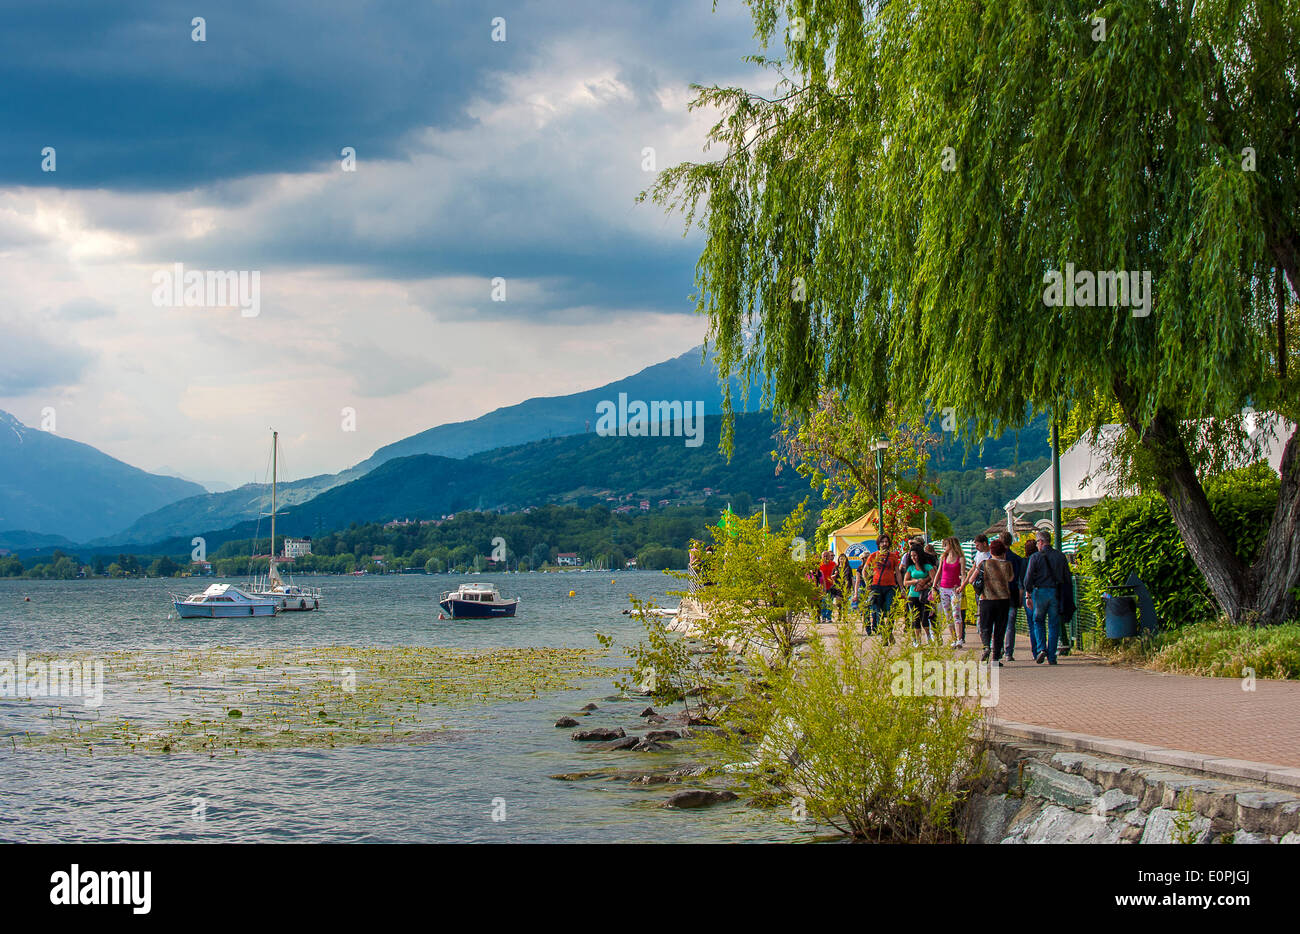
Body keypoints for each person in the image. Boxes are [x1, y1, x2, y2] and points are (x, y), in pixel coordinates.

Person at [1023, 529, 1071, 664]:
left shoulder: (1035, 557)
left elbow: (1028, 579)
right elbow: (1067, 576)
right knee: (1054, 624)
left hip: (1039, 593)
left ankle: (1041, 648)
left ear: (1041, 541)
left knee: (1038, 621)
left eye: (1037, 541)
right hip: (1055, 592)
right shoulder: (1060, 556)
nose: (1037, 545)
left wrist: (1028, 594)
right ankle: (1052, 656)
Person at [977, 540, 1016, 664]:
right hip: (1003, 600)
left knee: (985, 627)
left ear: (991, 551)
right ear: (1003, 551)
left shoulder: (984, 563)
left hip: (986, 600)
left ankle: (986, 647)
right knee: (1000, 629)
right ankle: (995, 658)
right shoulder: (1008, 564)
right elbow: (1011, 578)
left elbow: (973, 579)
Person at [862, 534, 900, 636]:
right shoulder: (873, 556)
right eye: (882, 542)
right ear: (878, 544)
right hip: (876, 586)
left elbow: (898, 572)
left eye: (886, 542)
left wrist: (901, 587)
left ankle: (889, 631)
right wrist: (867, 583)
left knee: (890, 609)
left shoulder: (893, 556)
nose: (884, 544)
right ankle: (883, 634)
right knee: (878, 612)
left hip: (890, 586)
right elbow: (864, 571)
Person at [904, 541, 938, 646]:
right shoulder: (910, 568)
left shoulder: (927, 566)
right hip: (913, 594)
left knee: (924, 618)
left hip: (925, 594)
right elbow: (905, 582)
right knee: (915, 618)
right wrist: (915, 581)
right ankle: (917, 640)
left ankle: (928, 635)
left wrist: (925, 584)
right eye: (912, 556)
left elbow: (934, 579)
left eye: (915, 555)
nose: (913, 558)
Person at [999, 532, 1024, 662]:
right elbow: (1020, 581)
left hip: (998, 595)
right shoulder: (1017, 559)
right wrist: (1021, 597)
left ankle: (999, 648)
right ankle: (1009, 652)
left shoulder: (995, 559)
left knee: (997, 624)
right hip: (1013, 594)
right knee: (1010, 625)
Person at [937, 537, 966, 648]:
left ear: (951, 545)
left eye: (945, 545)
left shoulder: (960, 558)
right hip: (943, 588)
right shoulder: (943, 557)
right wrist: (935, 585)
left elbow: (963, 574)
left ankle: (959, 638)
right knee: (948, 615)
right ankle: (953, 639)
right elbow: (939, 572)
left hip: (954, 589)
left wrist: (961, 586)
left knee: (956, 614)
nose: (944, 547)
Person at [1021, 537, 1039, 658]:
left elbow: (1022, 580)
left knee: (1031, 623)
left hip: (1027, 593)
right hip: (1039, 591)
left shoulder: (1023, 562)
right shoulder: (1040, 560)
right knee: (1039, 621)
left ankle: (1035, 651)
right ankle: (1041, 647)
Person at [817, 550, 839, 622]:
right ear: (822, 557)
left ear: (830, 556)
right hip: (822, 586)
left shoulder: (833, 564)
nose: (826, 557)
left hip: (831, 586)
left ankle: (828, 617)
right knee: (823, 602)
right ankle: (823, 617)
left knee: (830, 602)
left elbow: (837, 573)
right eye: (824, 556)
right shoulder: (819, 565)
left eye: (827, 556)